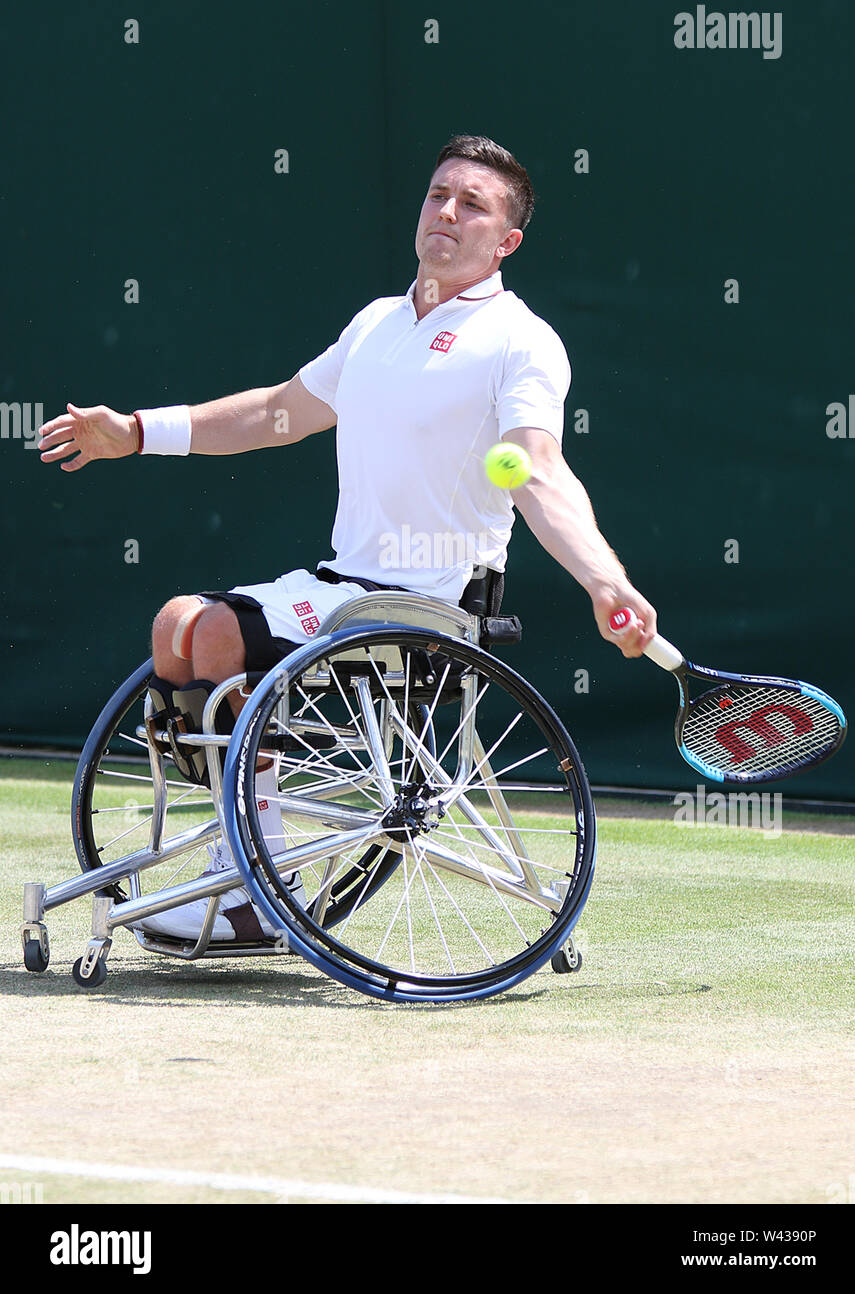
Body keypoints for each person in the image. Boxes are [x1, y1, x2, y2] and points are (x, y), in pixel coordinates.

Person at [39, 133, 657, 942]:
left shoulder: (522, 340)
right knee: (176, 625)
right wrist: (135, 432)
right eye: (439, 194)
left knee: (220, 630)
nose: (447, 212)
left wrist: (603, 578)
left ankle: (260, 877)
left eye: (474, 205)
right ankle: (251, 845)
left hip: (434, 598)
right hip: (345, 584)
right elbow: (275, 413)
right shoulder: (376, 324)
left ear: (506, 241)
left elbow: (538, 472)